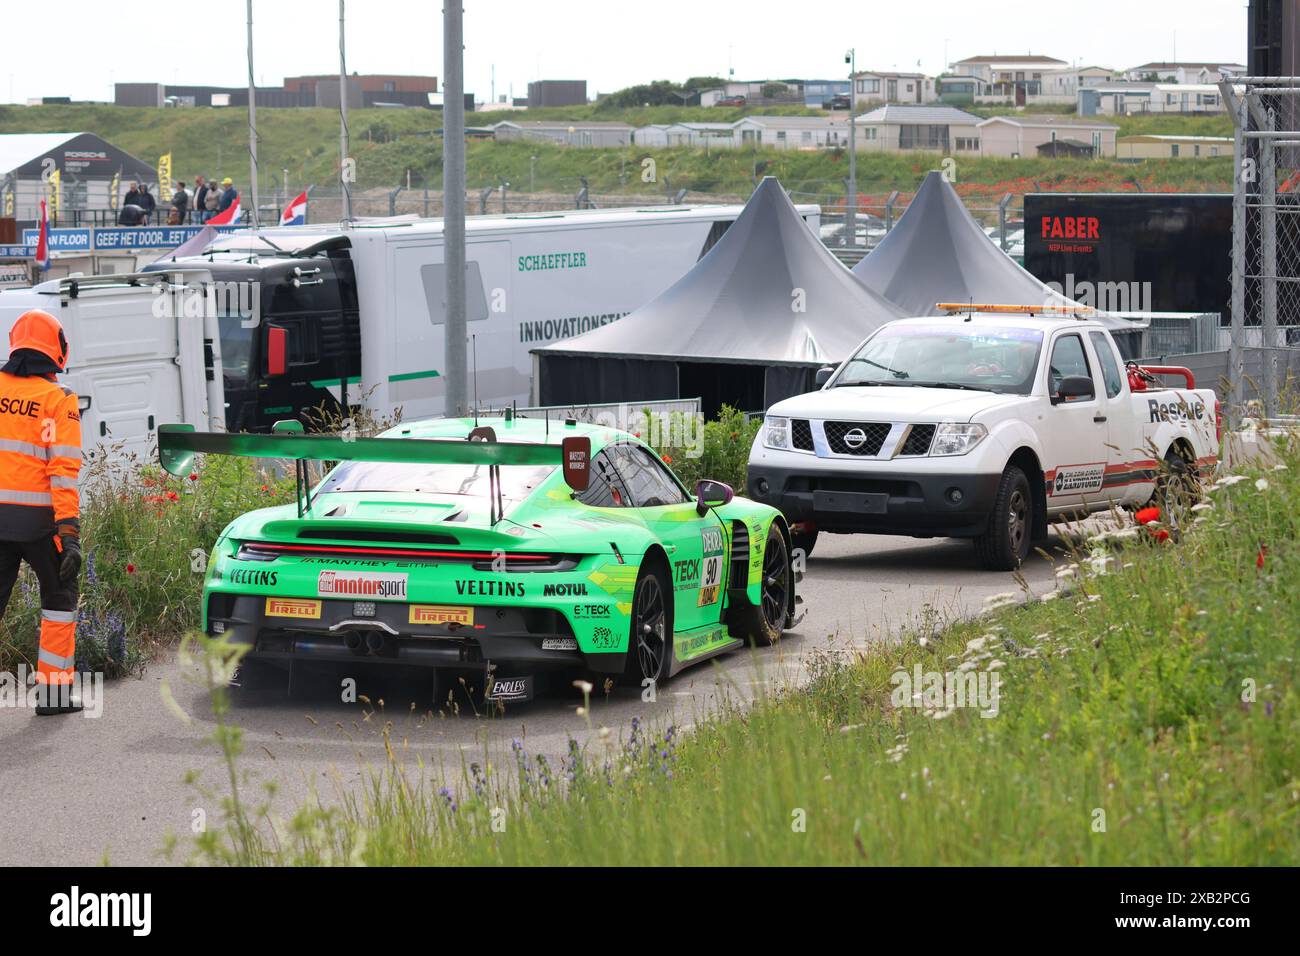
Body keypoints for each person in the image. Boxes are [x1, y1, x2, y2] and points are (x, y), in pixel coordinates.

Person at [0, 310, 84, 715]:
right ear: (58, 348)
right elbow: (62, 471)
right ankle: (53, 696)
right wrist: (69, 533)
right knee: (58, 600)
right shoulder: (58, 399)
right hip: (40, 524)